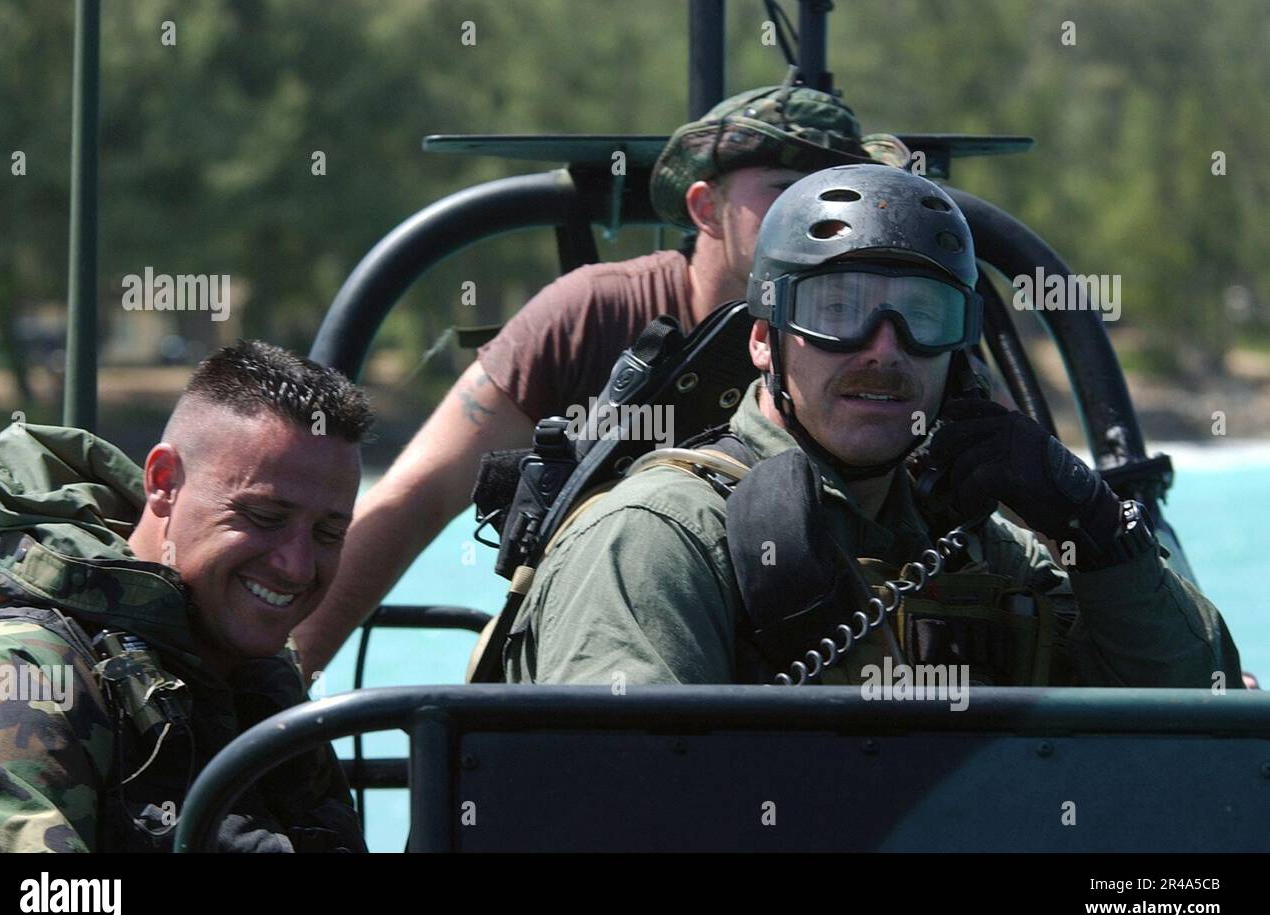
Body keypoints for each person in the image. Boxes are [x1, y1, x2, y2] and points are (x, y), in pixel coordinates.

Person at [502, 164, 1241, 688]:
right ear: (764, 337)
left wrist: (1098, 529)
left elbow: (1197, 704)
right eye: (837, 309)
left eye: (922, 316)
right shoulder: (658, 537)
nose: (883, 349)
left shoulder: (981, 547)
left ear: (959, 349)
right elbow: (614, 801)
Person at [291, 81, 913, 678]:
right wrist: (276, 694)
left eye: (838, 194)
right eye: (785, 190)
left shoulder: (901, 341)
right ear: (706, 208)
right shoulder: (593, 316)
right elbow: (413, 500)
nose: (820, 218)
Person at [0, 340, 372, 852]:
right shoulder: (24, 675)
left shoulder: (257, 675)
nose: (296, 566)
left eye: (328, 534)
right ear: (163, 482)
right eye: (264, 518)